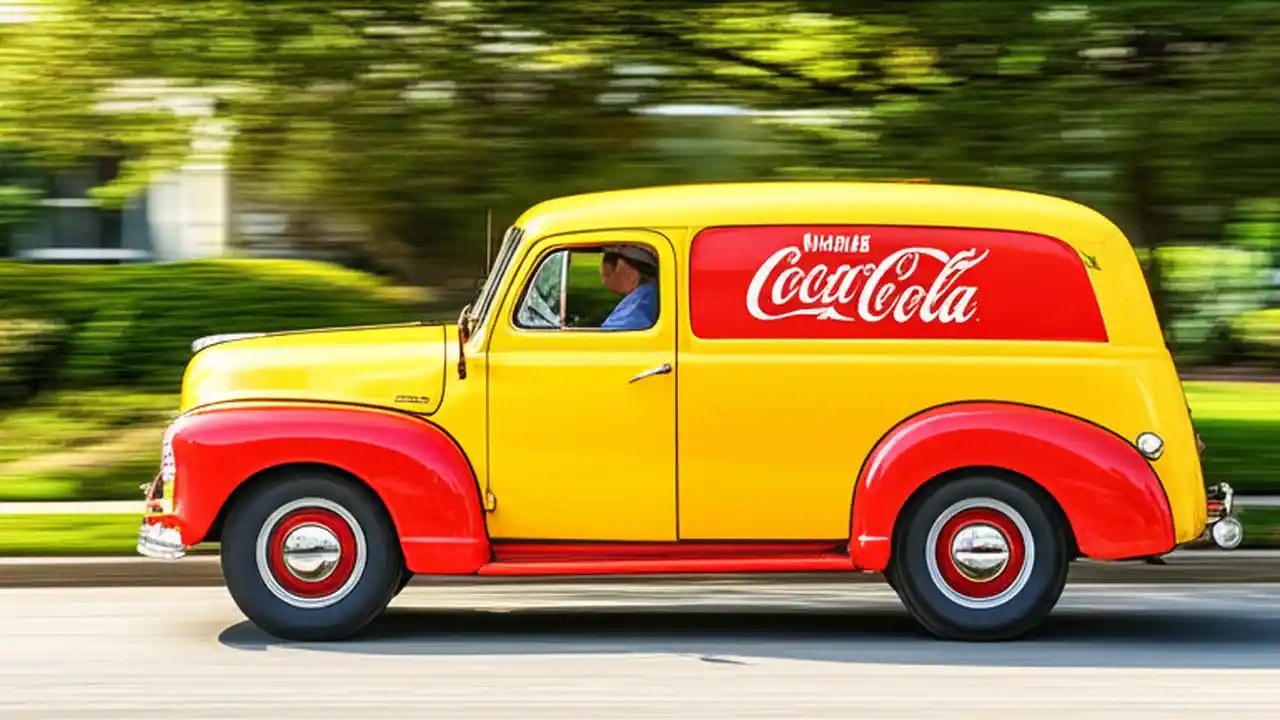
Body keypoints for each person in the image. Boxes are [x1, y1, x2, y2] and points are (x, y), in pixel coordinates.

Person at [600, 245, 659, 330]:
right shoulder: (653, 294)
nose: (604, 282)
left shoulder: (635, 311)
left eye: (608, 275)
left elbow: (608, 336)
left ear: (632, 275)